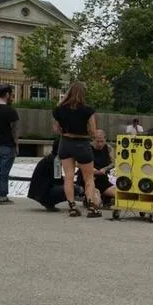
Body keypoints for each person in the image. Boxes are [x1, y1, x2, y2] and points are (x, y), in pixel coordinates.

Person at [53, 81, 101, 218]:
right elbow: (93, 131)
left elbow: (55, 128)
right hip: (82, 143)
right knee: (89, 178)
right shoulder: (88, 110)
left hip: (65, 143)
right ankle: (91, 207)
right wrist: (89, 134)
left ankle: (72, 207)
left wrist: (64, 131)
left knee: (68, 177)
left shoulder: (59, 109)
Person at [27, 139, 84, 212]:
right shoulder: (56, 161)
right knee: (75, 188)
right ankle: (49, 202)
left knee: (70, 186)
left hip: (38, 192)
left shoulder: (51, 158)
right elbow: (57, 181)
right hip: (42, 194)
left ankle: (49, 203)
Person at [80, 129, 116, 205]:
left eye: (102, 141)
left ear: (105, 139)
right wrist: (92, 170)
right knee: (96, 204)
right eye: (97, 141)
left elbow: (113, 163)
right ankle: (89, 197)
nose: (100, 144)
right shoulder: (87, 148)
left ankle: (106, 197)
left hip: (103, 179)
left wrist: (105, 169)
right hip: (90, 179)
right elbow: (79, 163)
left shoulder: (109, 148)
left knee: (119, 195)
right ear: (93, 139)